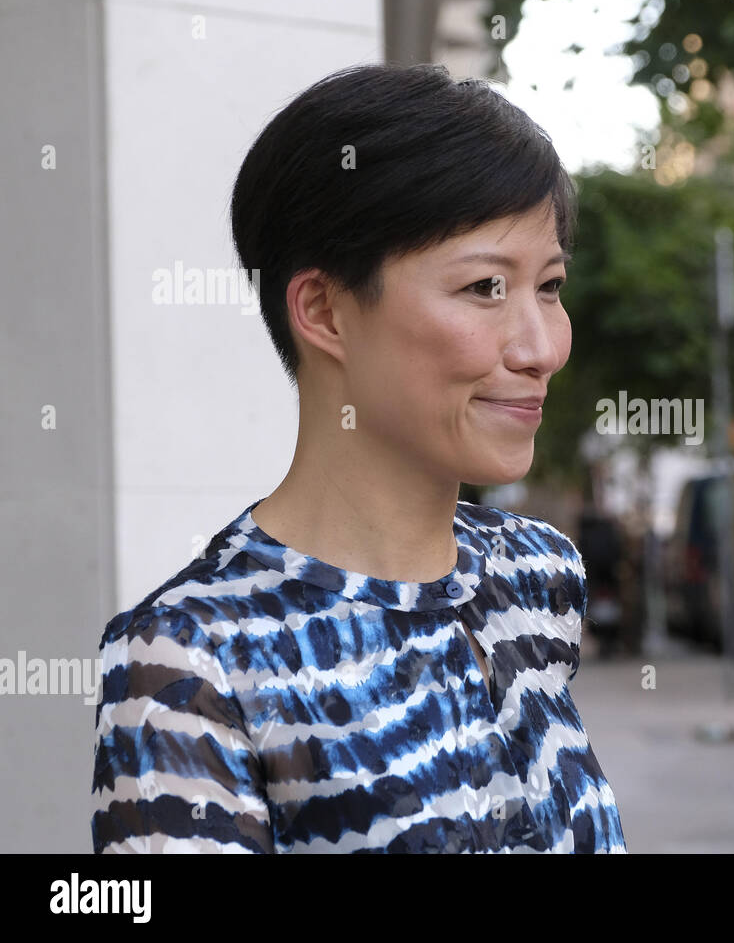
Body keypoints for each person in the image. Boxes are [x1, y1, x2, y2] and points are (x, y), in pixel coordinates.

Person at [90, 63, 627, 853]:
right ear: (323, 310)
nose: (542, 347)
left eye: (549, 287)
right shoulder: (190, 661)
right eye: (485, 287)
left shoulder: (538, 575)